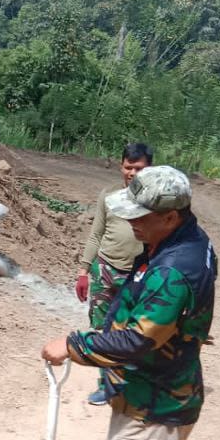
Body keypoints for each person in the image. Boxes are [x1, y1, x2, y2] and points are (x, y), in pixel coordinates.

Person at [41, 166, 217, 440]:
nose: (129, 221)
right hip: (153, 397)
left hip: (153, 408)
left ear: (170, 217)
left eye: (139, 216)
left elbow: (137, 340)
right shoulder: (180, 243)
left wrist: (74, 345)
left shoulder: (173, 269)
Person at [75, 143, 153, 405]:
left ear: (148, 169)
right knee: (101, 329)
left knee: (136, 332)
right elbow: (96, 234)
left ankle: (133, 385)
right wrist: (84, 271)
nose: (132, 173)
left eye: (139, 168)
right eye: (128, 167)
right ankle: (105, 384)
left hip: (139, 274)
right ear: (121, 166)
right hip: (105, 270)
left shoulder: (154, 200)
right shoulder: (109, 196)